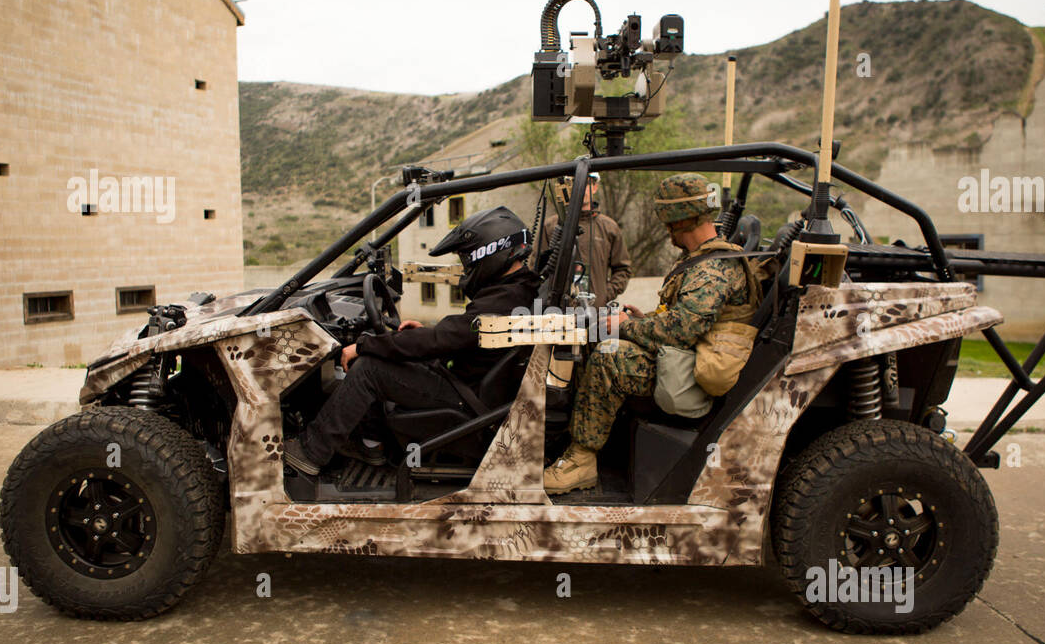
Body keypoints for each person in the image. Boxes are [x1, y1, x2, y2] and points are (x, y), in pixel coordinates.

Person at [285, 206, 539, 477]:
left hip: (471, 405)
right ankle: (371, 445)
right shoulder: (517, 291)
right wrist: (424, 331)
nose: (467, 268)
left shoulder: (507, 298)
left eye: (468, 261)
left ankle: (311, 452)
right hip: (471, 387)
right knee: (386, 355)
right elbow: (460, 335)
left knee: (370, 368)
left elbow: (446, 338)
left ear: (490, 253)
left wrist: (363, 345)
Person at [543, 173, 752, 494]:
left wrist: (624, 326)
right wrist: (645, 320)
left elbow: (682, 330)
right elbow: (686, 320)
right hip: (686, 357)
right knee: (599, 345)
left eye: (667, 222)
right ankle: (587, 444)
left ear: (678, 220)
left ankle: (582, 461)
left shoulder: (713, 268)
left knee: (609, 357)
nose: (666, 230)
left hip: (692, 373)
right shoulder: (702, 259)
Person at [530, 173, 632, 306]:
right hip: (557, 313)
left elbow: (623, 269)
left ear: (595, 187)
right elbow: (535, 267)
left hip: (595, 314)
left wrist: (605, 295)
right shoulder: (552, 226)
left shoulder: (609, 228)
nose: (582, 188)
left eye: (587, 183)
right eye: (576, 183)